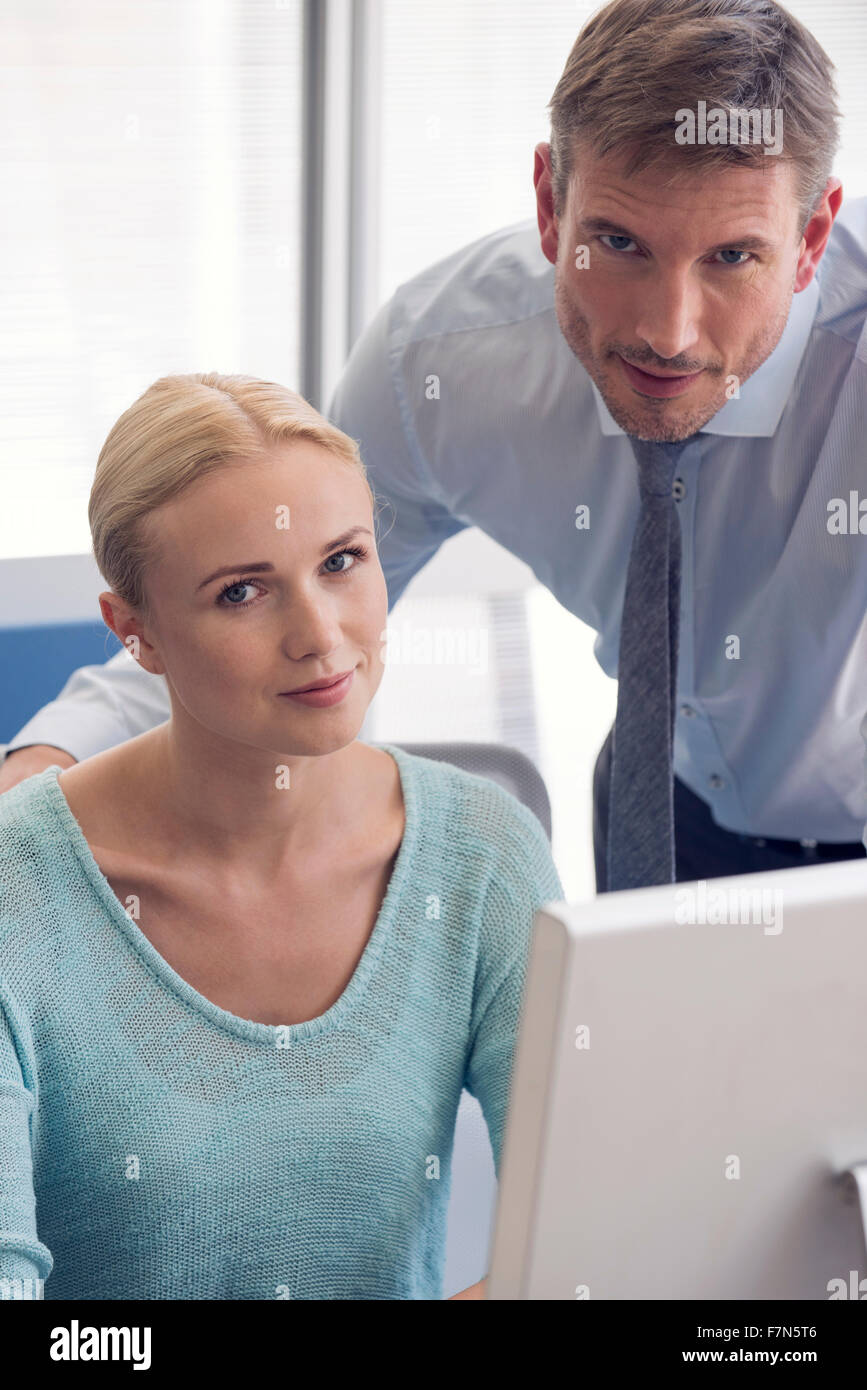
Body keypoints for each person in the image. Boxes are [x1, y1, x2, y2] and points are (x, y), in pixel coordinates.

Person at [2, 0, 865, 888]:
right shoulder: (440, 366)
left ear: (808, 241)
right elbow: (254, 602)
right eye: (617, 242)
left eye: (731, 258)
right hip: (664, 801)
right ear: (548, 204)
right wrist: (45, 766)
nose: (668, 332)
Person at [0, 372, 563, 1300]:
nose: (319, 635)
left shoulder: (484, 855)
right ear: (134, 631)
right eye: (241, 593)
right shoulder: (21, 896)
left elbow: (584, 1246)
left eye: (341, 562)